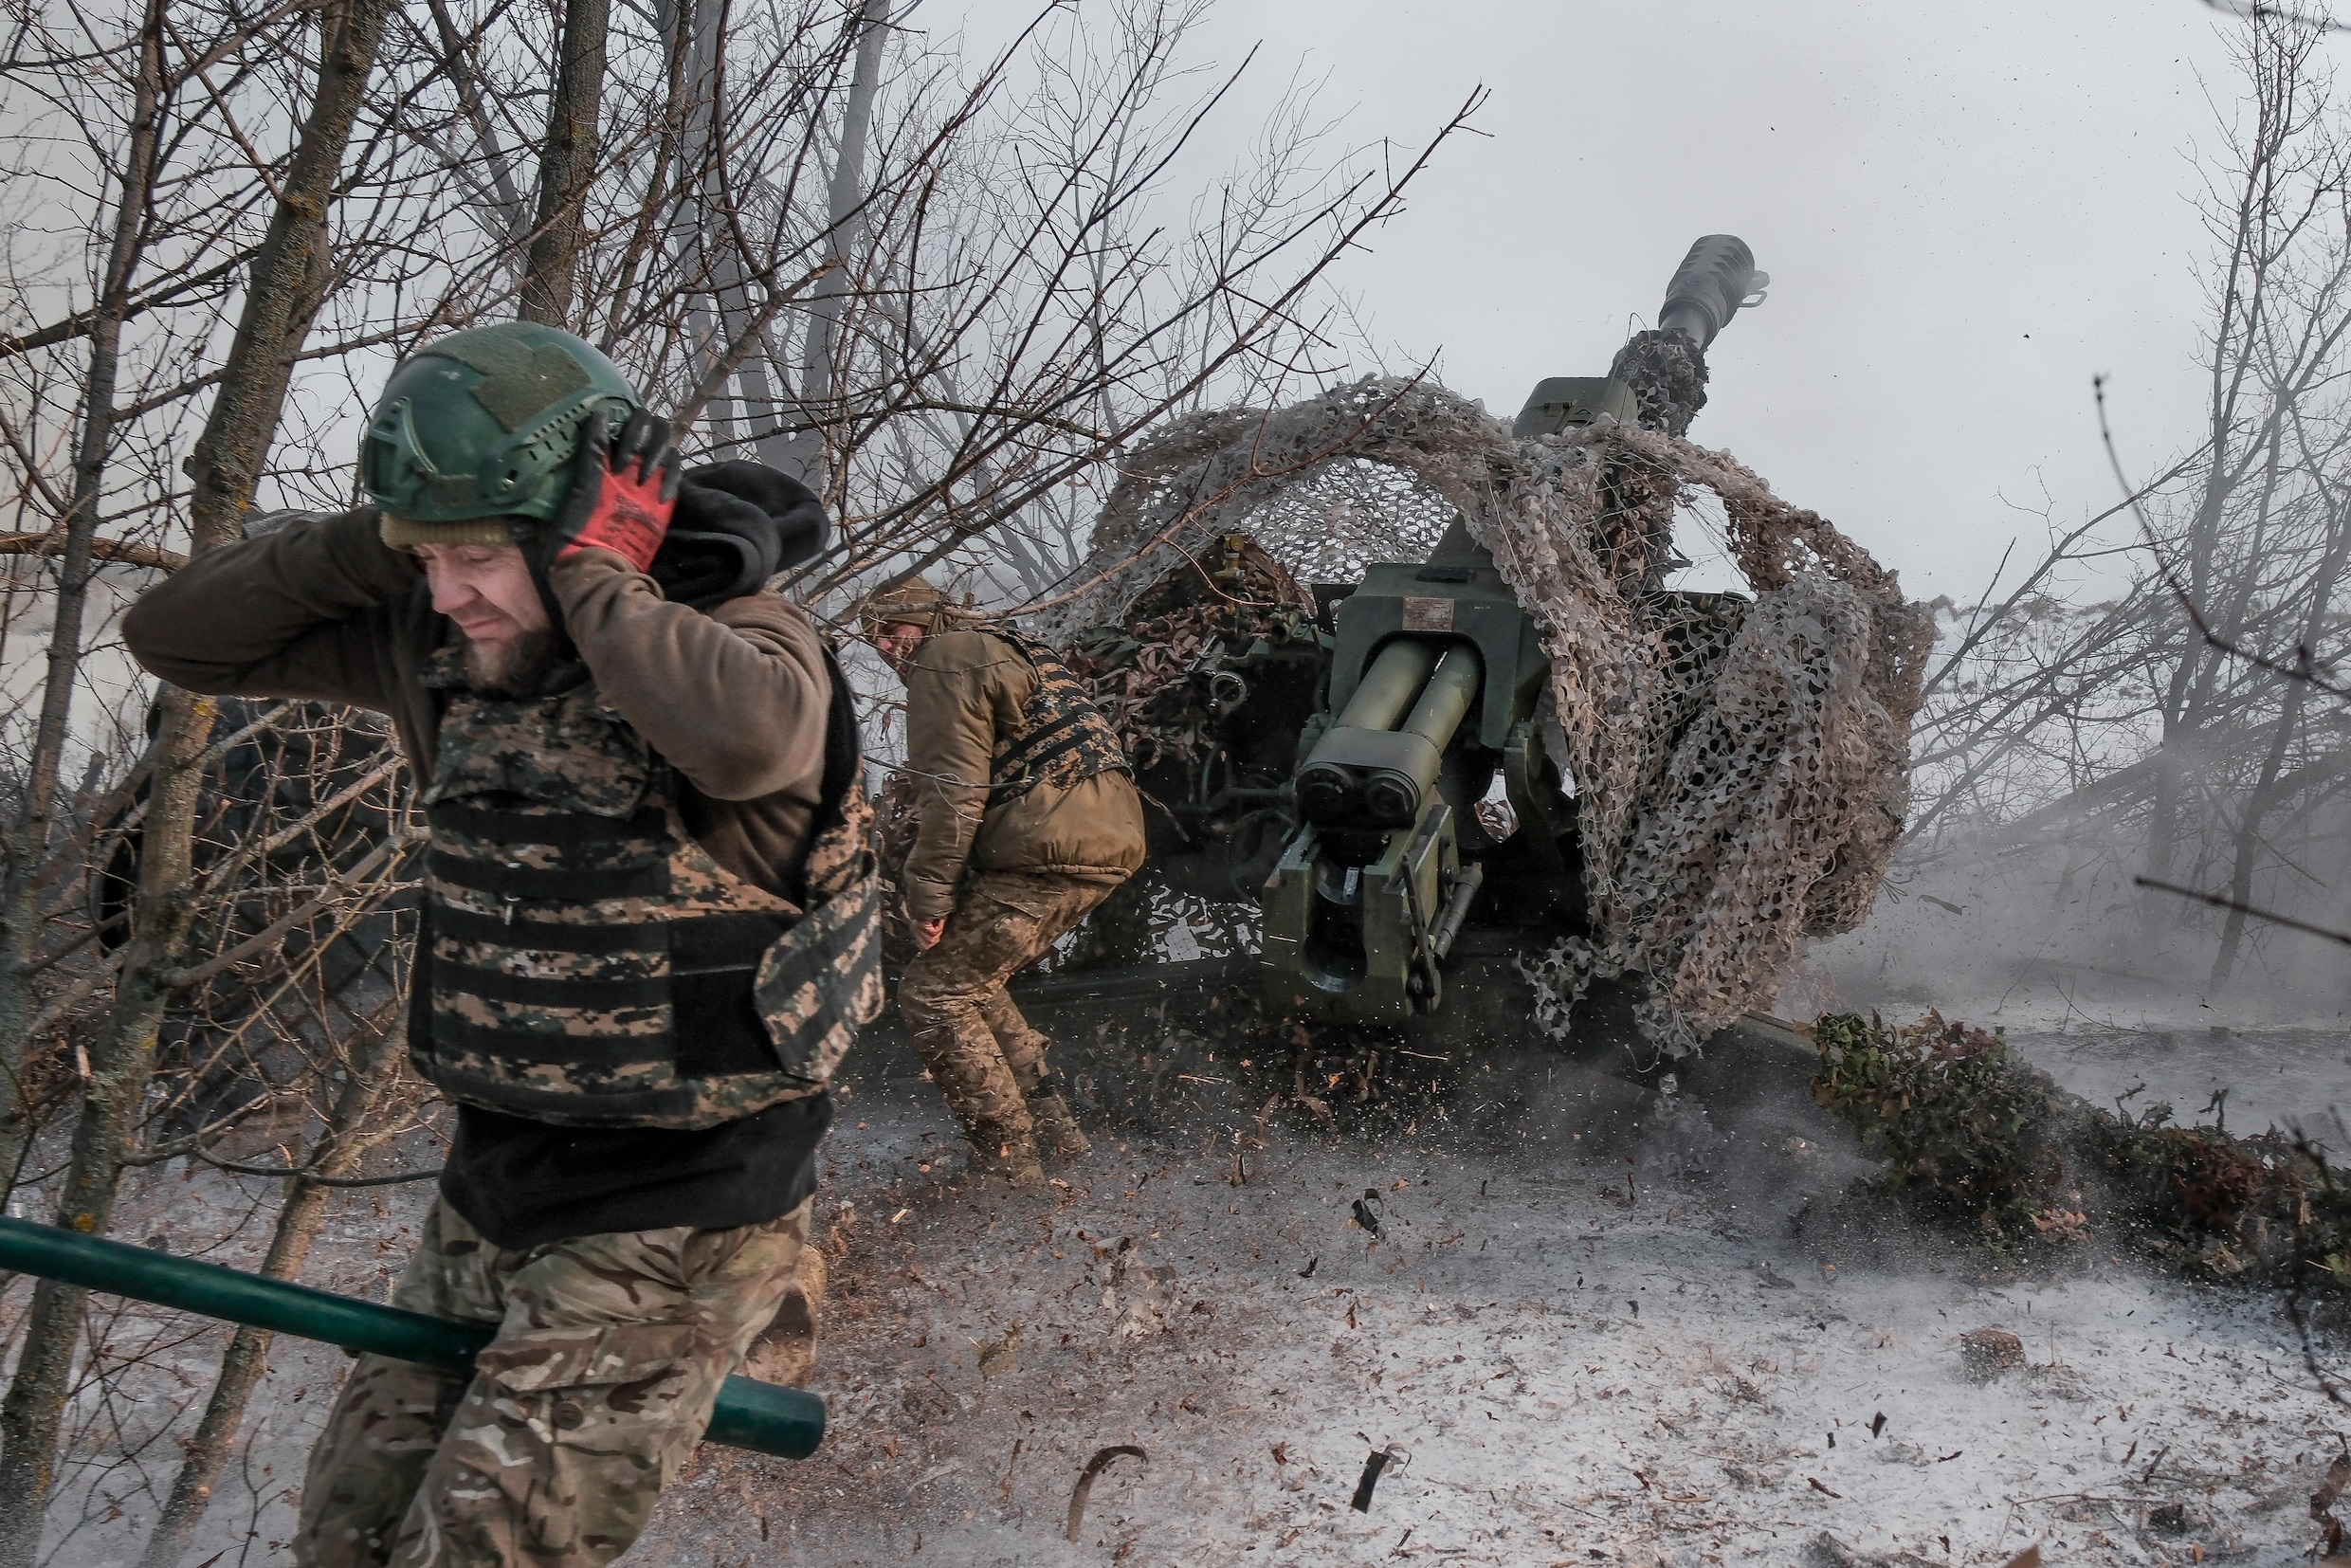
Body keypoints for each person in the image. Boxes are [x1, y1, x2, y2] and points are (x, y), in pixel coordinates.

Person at [120, 320, 881, 1568]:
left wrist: (594, 575)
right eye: (426, 561)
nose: (447, 594)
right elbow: (178, 639)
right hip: (494, 1185)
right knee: (347, 1539)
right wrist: (388, 535)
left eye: (477, 557)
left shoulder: (737, 634)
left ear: (578, 533)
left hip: (682, 1205)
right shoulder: (453, 642)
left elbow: (752, 742)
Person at [859, 579, 1145, 1185]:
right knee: (974, 983)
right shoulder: (1003, 645)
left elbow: (953, 791)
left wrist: (928, 895)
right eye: (872, 636)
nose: (883, 645)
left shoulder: (945, 658)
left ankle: (1009, 1173)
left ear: (927, 620)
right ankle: (1060, 1143)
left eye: (892, 628)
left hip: (1046, 841)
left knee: (934, 994)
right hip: (1097, 835)